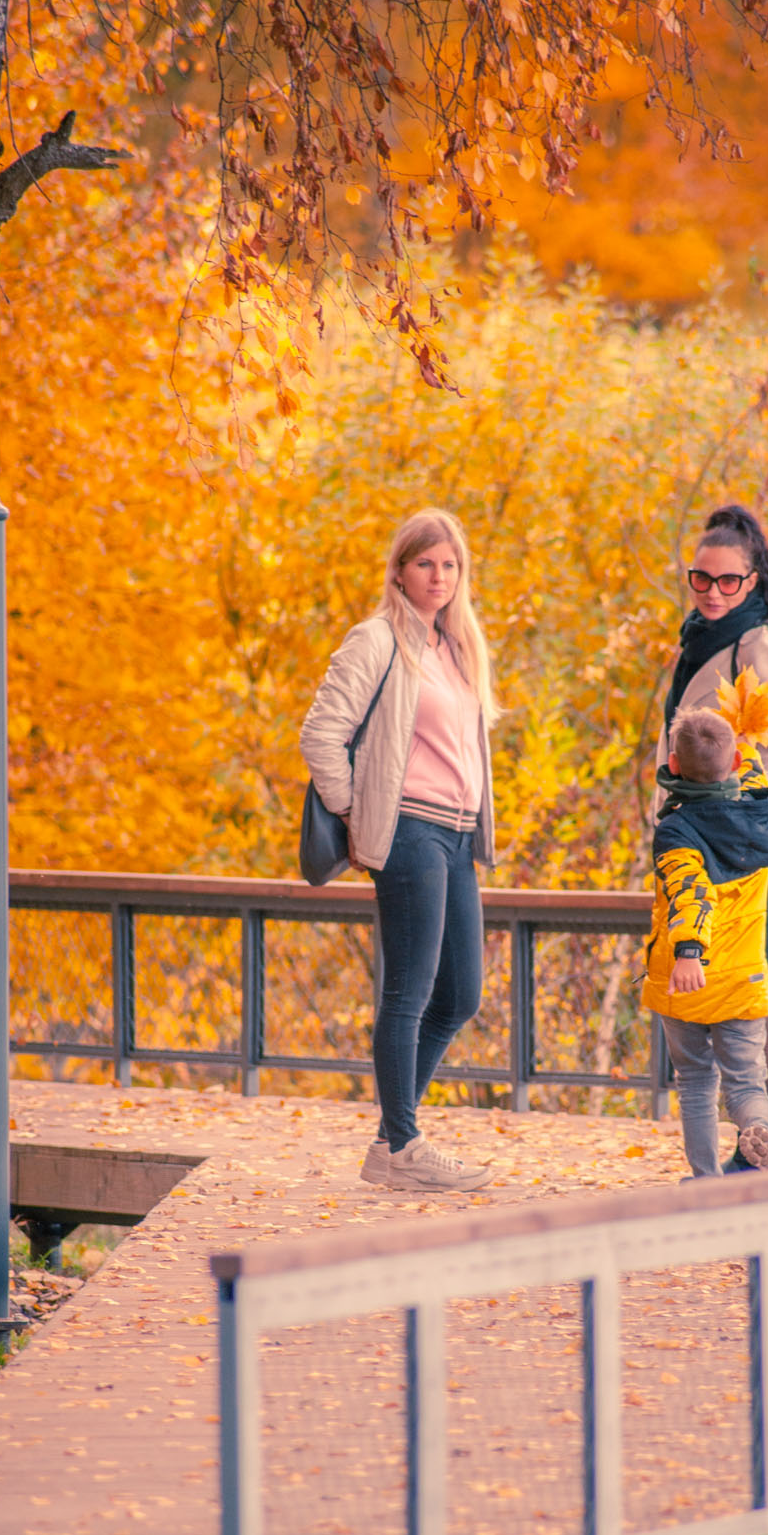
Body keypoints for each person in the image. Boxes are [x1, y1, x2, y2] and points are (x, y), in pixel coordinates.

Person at [300, 509, 496, 1191]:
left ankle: (390, 1140)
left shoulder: (457, 645)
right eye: (425, 564)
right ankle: (406, 1144)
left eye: (449, 565)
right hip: (409, 830)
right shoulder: (378, 639)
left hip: (456, 835)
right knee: (410, 992)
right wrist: (362, 818)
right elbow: (322, 734)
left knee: (461, 994)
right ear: (400, 570)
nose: (438, 577)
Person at [657, 504, 768, 1165]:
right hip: (700, 827)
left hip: (743, 839)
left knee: (744, 980)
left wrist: (753, 804)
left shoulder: (758, 644)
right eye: (702, 579)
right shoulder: (702, 637)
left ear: (752, 583)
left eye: (729, 582)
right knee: (736, 980)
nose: (715, 592)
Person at [643, 704, 768, 1178]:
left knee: (695, 1081)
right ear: (734, 762)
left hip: (690, 977)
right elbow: (747, 764)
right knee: (748, 1084)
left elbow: (691, 891)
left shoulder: (677, 830)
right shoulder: (763, 809)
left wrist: (688, 951)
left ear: (673, 765)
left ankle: (708, 1182)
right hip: (745, 976)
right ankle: (764, 1136)